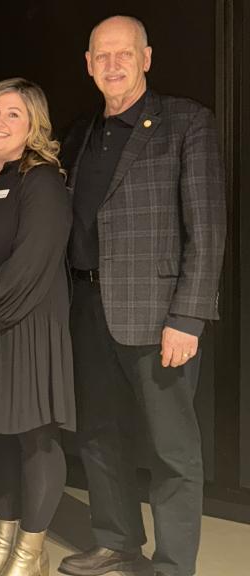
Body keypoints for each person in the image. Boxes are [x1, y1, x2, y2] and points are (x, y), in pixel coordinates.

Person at [57, 15, 227, 576]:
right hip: (86, 310)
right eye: (101, 56)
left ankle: (175, 563)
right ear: (88, 64)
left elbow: (206, 229)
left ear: (146, 57)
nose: (112, 65)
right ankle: (116, 540)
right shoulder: (82, 133)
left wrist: (189, 317)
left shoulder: (185, 123)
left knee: (173, 450)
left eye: (123, 54)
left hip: (159, 318)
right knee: (99, 436)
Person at [0, 78, 74, 576]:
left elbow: (30, 264)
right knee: (0, 437)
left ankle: (32, 552)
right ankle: (2, 540)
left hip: (26, 324)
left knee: (35, 438)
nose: (0, 122)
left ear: (33, 124)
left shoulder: (41, 180)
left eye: (13, 113)